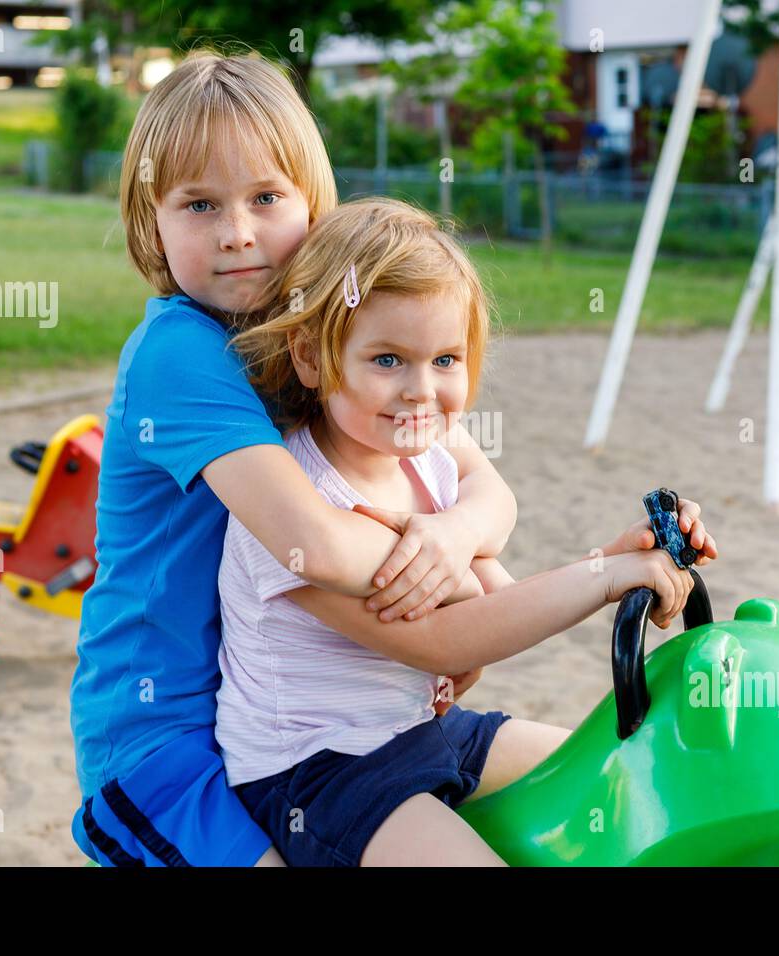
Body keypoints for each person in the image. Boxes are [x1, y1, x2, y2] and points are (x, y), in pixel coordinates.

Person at [69, 51, 526, 868]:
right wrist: (457, 585)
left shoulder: (317, 341)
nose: (237, 231)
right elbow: (313, 547)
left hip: (300, 718)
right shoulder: (179, 354)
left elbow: (485, 482)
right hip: (165, 743)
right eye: (199, 204)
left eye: (267, 197)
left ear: (315, 203)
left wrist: (455, 538)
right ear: (152, 223)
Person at [223, 198, 717, 866]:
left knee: (625, 775)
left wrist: (624, 551)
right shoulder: (295, 504)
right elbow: (442, 641)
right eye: (388, 360)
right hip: (320, 771)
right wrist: (603, 577)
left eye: (447, 360)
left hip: (428, 731)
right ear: (310, 356)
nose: (422, 391)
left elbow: (495, 502)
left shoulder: (427, 443)